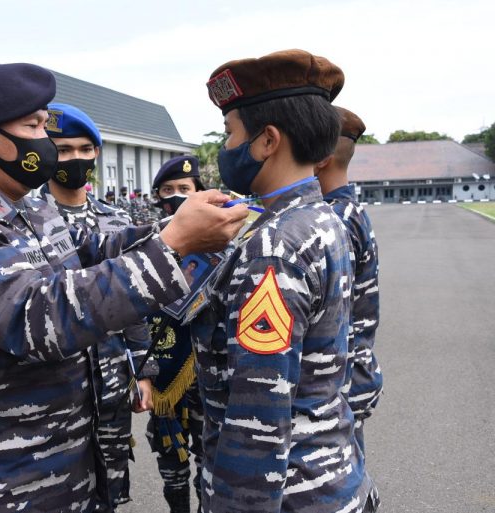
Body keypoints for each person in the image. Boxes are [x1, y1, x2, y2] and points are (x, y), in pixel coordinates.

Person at [0, 62, 249, 513]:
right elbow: (37, 319)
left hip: (74, 468)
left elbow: (92, 254)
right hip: (0, 484)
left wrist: (175, 225)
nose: (44, 141)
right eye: (32, 126)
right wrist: (174, 243)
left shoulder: (30, 209)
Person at [190, 49, 378, 512]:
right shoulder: (319, 217)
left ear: (267, 140)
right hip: (327, 475)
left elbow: (259, 417)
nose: (226, 147)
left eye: (231, 133)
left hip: (290, 493)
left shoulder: (274, 245)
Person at [41, 102, 154, 508]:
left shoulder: (116, 220)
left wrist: (143, 371)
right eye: (65, 149)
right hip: (54, 388)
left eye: (85, 150)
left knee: (108, 483)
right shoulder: (27, 219)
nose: (75, 159)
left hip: (110, 380)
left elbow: (136, 302)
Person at [315, 106, 383, 455]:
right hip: (353, 370)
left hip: (341, 377)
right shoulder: (349, 210)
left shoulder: (332, 220)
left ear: (322, 157)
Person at [145, 155, 208, 513]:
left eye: (185, 189)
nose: (176, 197)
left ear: (198, 191)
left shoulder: (221, 244)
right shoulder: (146, 243)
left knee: (208, 455)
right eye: (168, 190)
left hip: (205, 369)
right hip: (161, 365)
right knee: (170, 458)